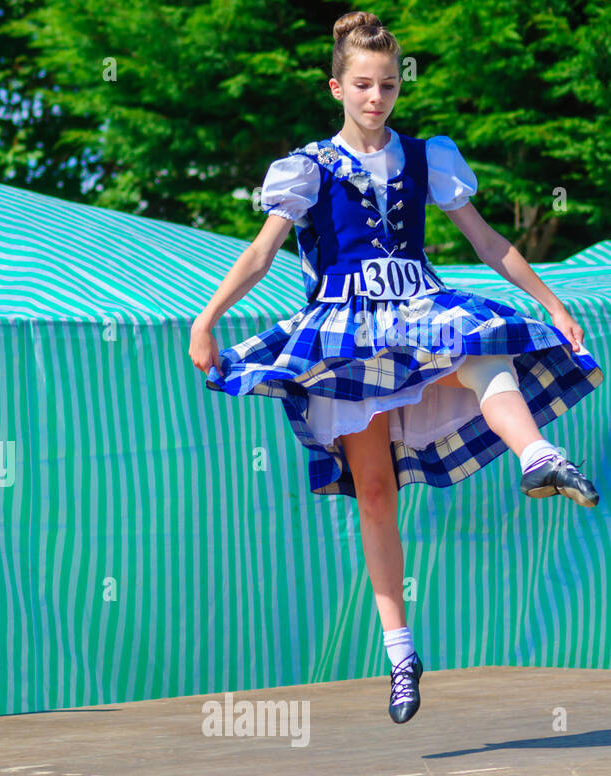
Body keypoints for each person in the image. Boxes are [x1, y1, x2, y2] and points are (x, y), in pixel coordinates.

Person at [188, 11, 603, 725]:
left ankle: (538, 457)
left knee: (482, 346)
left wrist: (553, 302)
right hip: (349, 325)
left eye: (386, 84)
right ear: (337, 87)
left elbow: (488, 242)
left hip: (415, 305)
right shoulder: (308, 168)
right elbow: (260, 254)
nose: (375, 97)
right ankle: (400, 654)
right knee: (375, 493)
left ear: (397, 87)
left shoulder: (426, 156)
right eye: (362, 85)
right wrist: (208, 317)